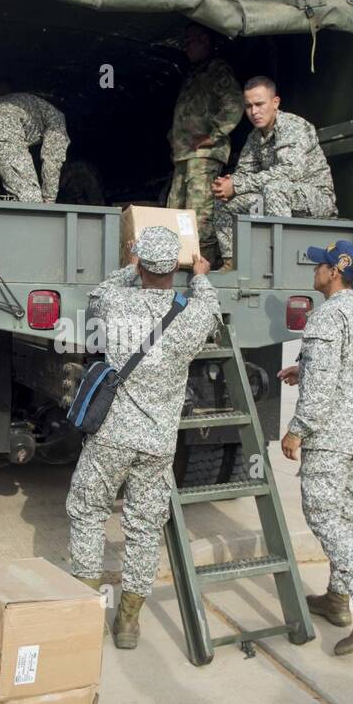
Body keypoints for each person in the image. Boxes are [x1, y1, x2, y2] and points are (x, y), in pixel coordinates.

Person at [66, 228, 221, 649]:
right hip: (157, 443)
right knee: (145, 527)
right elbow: (211, 303)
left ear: (139, 264)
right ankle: (129, 623)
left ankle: (85, 613)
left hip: (111, 436)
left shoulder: (115, 302)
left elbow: (99, 291)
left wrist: (130, 268)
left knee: (88, 511)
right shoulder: (192, 314)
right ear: (175, 266)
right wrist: (201, 274)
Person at [280, 241, 353, 656]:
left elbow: (326, 387)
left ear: (335, 272)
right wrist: (305, 368)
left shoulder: (327, 316)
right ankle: (336, 599)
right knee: (345, 520)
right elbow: (348, 369)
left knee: (323, 517)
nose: (314, 270)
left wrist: (298, 429)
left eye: (321, 265)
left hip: (330, 436)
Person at [208, 76, 337, 270]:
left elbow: (289, 171)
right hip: (276, 195)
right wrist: (228, 184)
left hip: (315, 199)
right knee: (224, 201)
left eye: (259, 104)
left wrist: (238, 185)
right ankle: (232, 262)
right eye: (249, 106)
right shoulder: (254, 137)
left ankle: (279, 265)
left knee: (274, 189)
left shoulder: (293, 126)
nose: (254, 112)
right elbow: (245, 171)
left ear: (275, 102)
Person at [165, 22, 244, 268]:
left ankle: (204, 268)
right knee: (174, 214)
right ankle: (177, 264)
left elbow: (234, 104)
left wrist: (214, 135)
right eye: (185, 41)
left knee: (199, 215)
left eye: (192, 41)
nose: (187, 46)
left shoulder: (217, 70)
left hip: (204, 155)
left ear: (206, 41)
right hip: (184, 156)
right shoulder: (193, 74)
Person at [0, 91, 69, 204]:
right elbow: (52, 159)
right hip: (2, 128)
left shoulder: (26, 101)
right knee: (29, 200)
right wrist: (49, 199)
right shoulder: (56, 117)